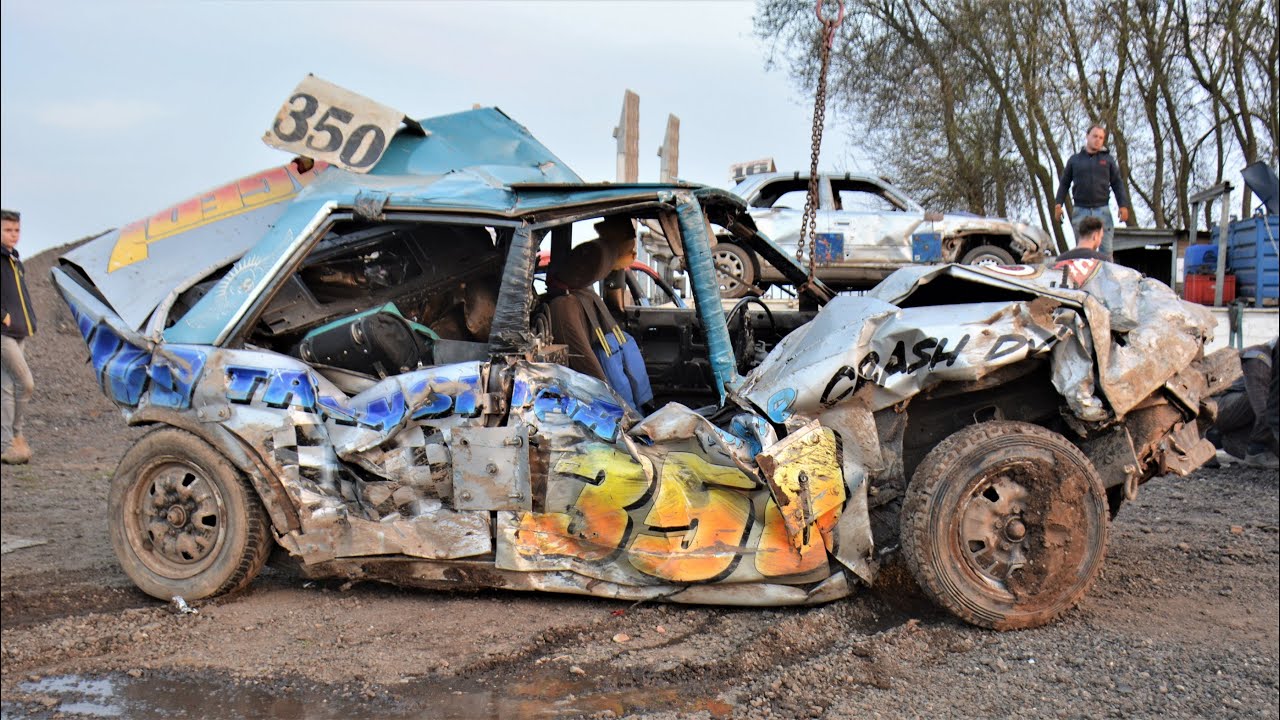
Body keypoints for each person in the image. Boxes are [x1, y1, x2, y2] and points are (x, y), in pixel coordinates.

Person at [1054, 124, 1132, 259]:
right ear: (1087, 136)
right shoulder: (1075, 160)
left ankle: (1106, 279)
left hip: (1102, 210)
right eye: (1095, 136)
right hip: (1080, 210)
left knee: (1106, 251)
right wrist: (1058, 204)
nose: (1098, 140)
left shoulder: (1108, 160)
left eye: (1101, 138)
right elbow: (1064, 183)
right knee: (1082, 252)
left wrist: (1123, 205)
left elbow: (1117, 183)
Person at [1208, 338, 1280, 469]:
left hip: (1234, 432)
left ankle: (1220, 440)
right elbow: (1263, 409)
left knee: (1230, 441)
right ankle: (1256, 449)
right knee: (1269, 397)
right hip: (1219, 410)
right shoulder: (1258, 357)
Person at [1, 209, 36, 465]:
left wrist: (28, 321)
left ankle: (8, 444)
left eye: (17, 230)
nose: (14, 235)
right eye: (8, 230)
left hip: (19, 331)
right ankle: (14, 435)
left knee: (7, 385)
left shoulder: (15, 259)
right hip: (3, 332)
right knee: (25, 383)